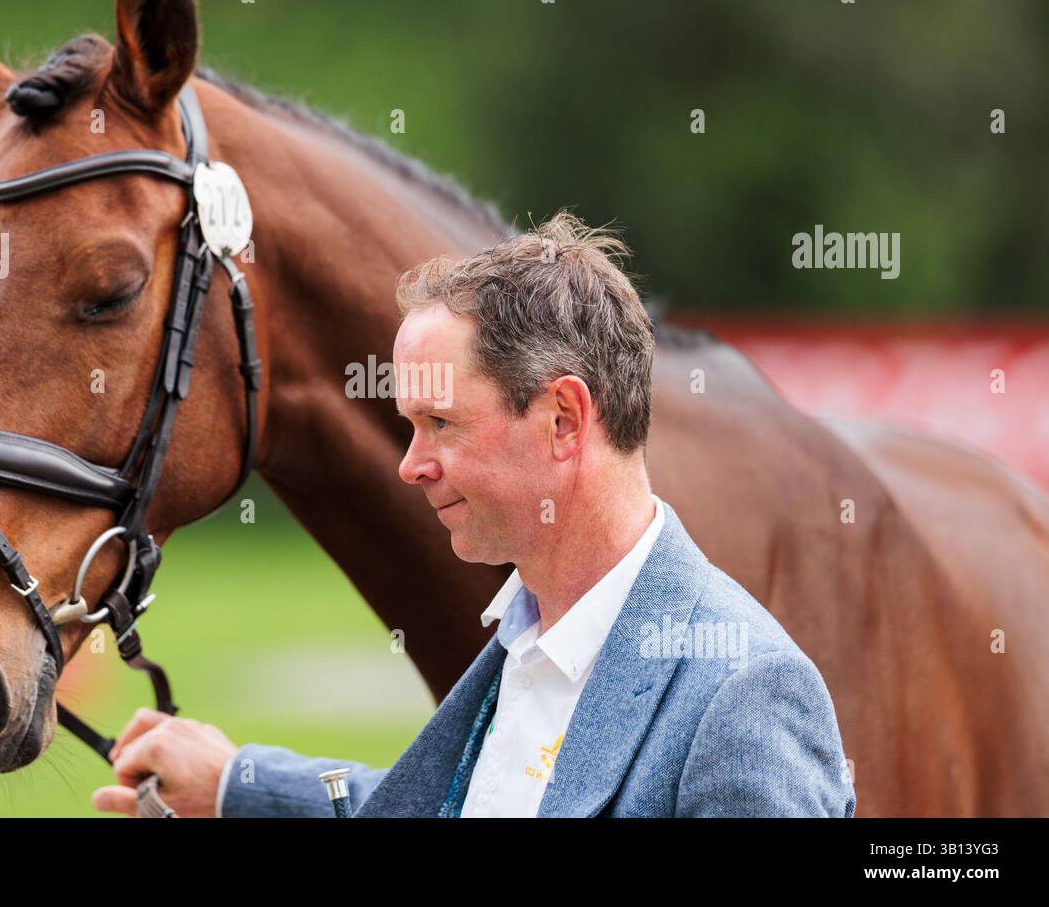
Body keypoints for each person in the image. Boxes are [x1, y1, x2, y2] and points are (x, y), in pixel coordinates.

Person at [91, 211, 855, 818]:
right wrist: (234, 784)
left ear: (562, 420)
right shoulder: (532, 632)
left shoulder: (745, 695)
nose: (410, 463)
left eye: (441, 424)